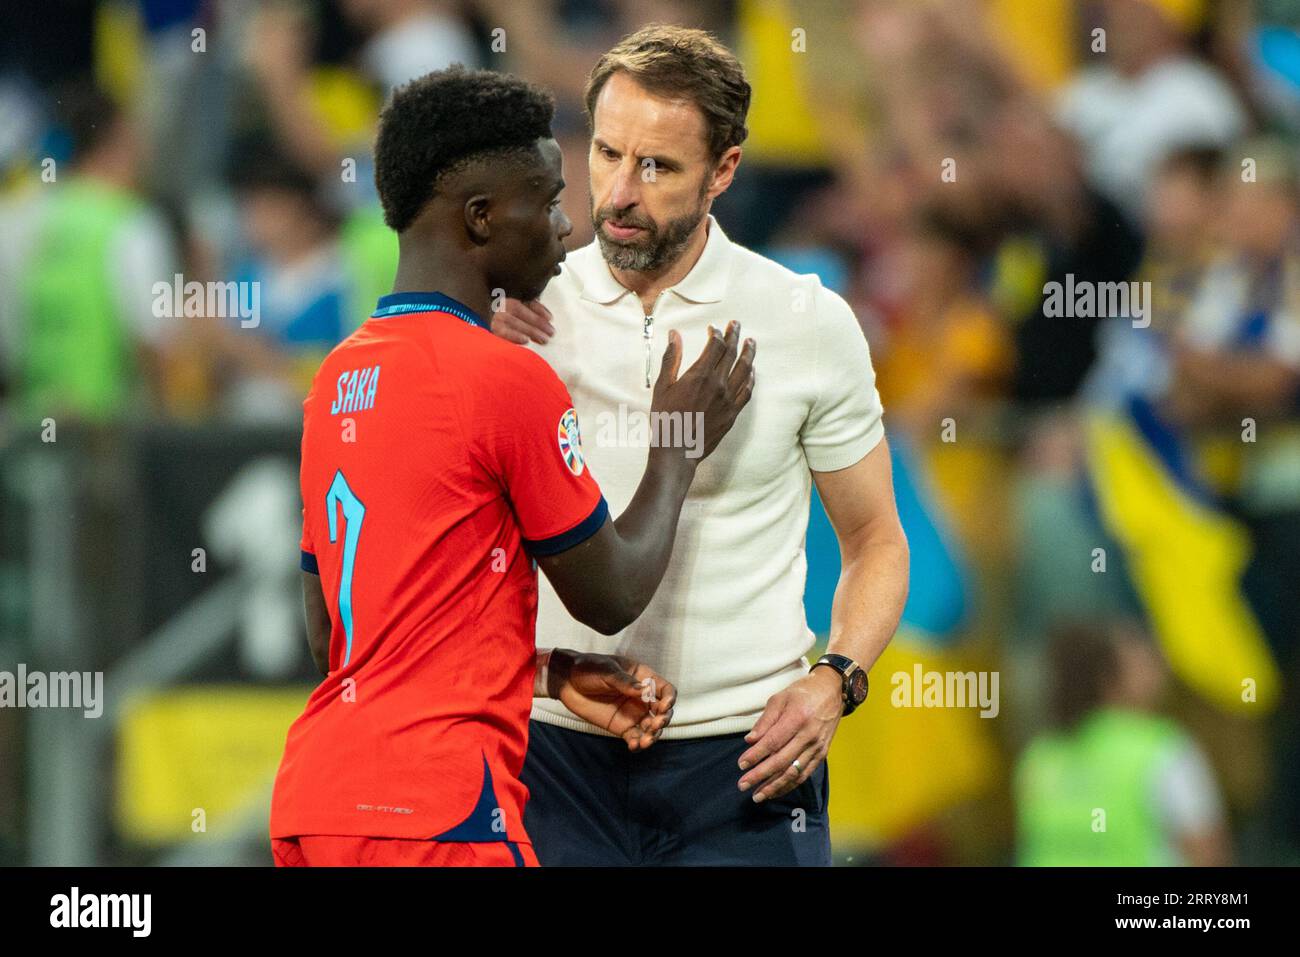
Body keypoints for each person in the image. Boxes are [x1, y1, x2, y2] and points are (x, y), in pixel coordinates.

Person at [269, 66, 756, 867]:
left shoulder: (335, 380)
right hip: (442, 810)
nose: (571, 228)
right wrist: (676, 446)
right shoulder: (502, 377)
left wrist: (545, 672)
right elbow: (611, 592)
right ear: (483, 217)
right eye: (551, 199)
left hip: (320, 802)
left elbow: (333, 636)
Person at [492, 25, 909, 866]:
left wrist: (835, 679)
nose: (618, 193)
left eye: (658, 167)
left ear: (724, 171)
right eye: (608, 153)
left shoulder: (808, 320)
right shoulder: (522, 317)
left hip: (746, 763)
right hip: (554, 757)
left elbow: (875, 541)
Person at [1015, 621, 1230, 866]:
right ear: (1108, 680)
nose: (1161, 666)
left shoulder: (1039, 756)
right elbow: (1207, 852)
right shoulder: (1162, 748)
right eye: (1143, 660)